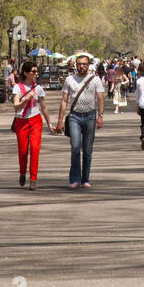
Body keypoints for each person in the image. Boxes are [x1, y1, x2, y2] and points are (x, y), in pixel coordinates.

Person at [56, 54, 104, 188]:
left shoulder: (95, 80)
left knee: (87, 150)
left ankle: (85, 179)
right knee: (76, 147)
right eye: (79, 64)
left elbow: (100, 99)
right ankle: (75, 179)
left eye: (84, 64)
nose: (82, 66)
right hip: (74, 117)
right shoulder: (69, 80)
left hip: (90, 117)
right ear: (75, 65)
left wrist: (100, 116)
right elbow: (64, 100)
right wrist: (60, 120)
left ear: (88, 65)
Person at [12, 62, 51, 190]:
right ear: (25, 73)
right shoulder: (17, 88)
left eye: (36, 71)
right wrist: (27, 99)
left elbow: (43, 107)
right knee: (23, 151)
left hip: (35, 120)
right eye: (33, 72)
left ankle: (33, 178)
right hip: (21, 121)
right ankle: (22, 172)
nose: (36, 74)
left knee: (35, 149)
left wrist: (49, 124)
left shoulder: (38, 88)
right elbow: (16, 106)